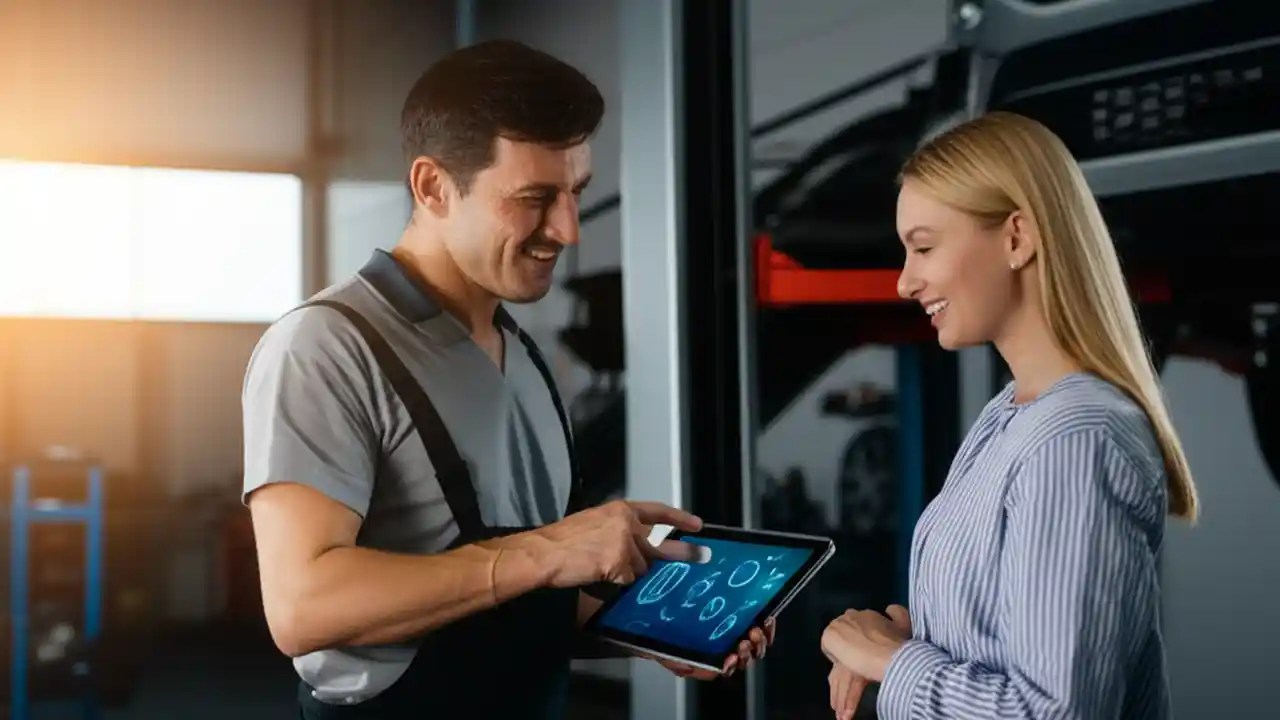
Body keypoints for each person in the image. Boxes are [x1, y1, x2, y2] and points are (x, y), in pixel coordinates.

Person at [241, 40, 772, 719]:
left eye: (576, 193)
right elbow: (301, 607)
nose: (569, 230)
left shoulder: (524, 357)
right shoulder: (325, 347)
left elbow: (523, 602)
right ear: (433, 187)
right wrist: (548, 552)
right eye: (534, 198)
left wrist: (655, 629)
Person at [819, 112, 1198, 720]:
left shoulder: (1075, 440)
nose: (904, 282)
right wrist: (905, 643)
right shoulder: (1010, 415)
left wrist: (893, 663)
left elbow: (1053, 712)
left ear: (1017, 238)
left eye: (923, 247)